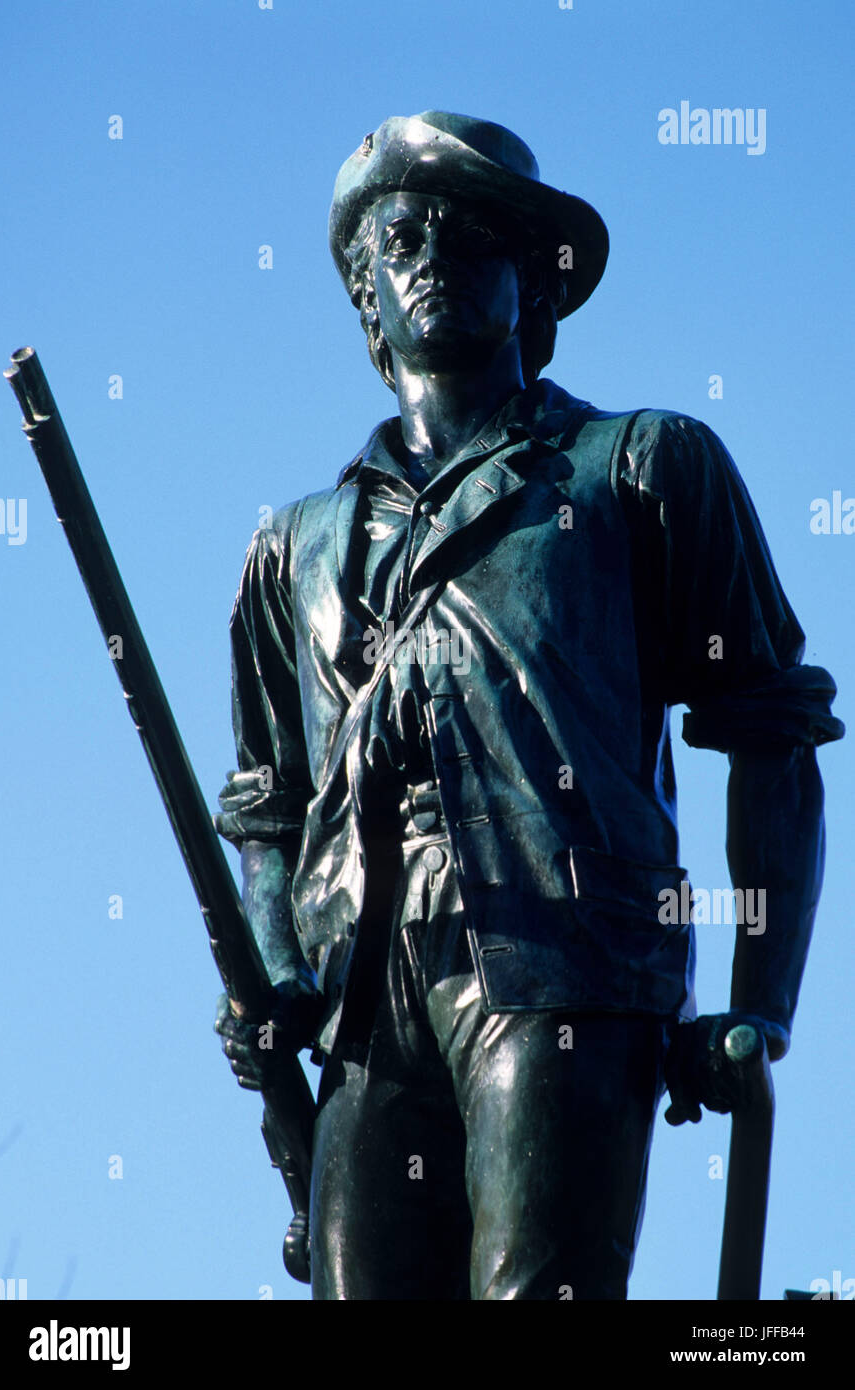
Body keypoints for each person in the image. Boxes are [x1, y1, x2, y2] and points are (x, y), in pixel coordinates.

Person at [214, 111, 843, 1300]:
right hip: (365, 1000)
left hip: (566, 959)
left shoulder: (640, 470)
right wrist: (277, 968)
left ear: (535, 286)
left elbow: (771, 734)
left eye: (474, 235)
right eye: (404, 238)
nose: (436, 258)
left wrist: (759, 1010)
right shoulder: (289, 552)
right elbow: (265, 806)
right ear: (365, 297)